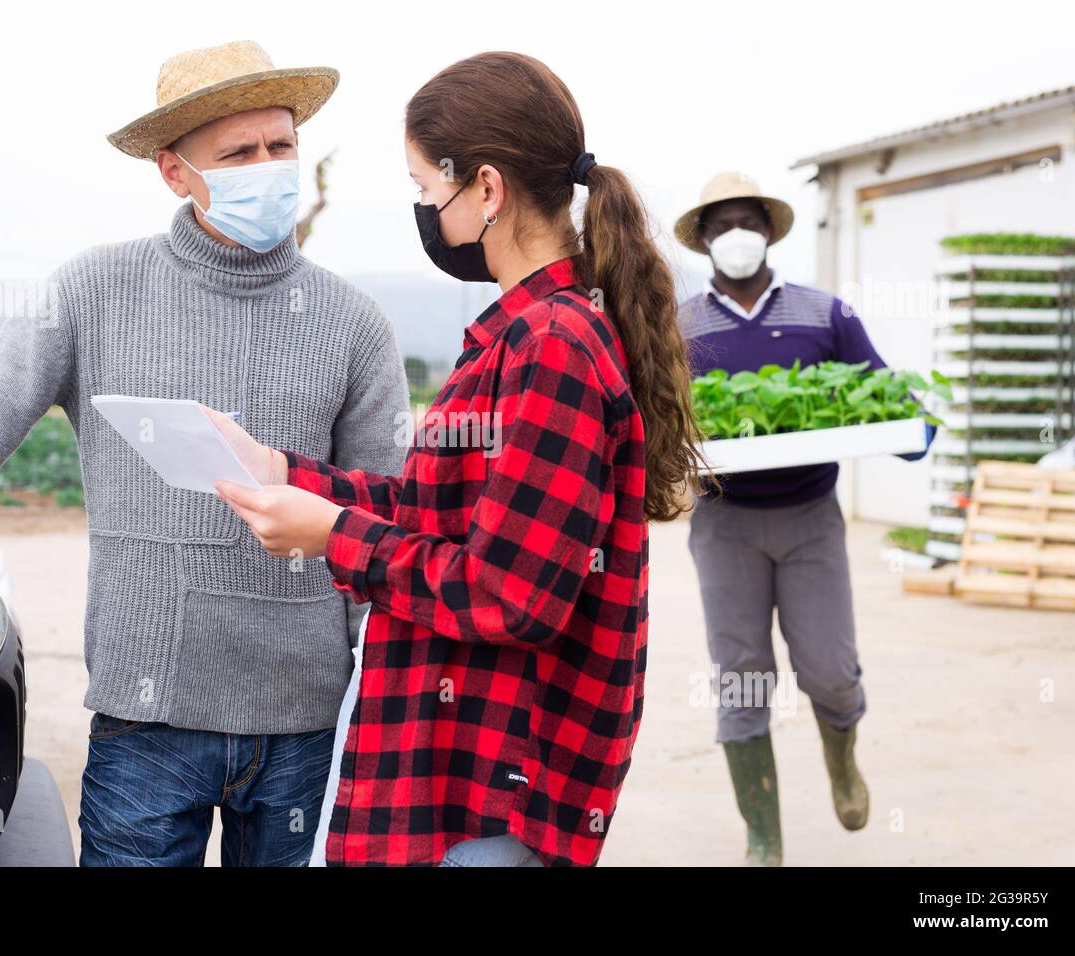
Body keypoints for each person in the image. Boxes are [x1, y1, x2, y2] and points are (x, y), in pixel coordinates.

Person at [0, 40, 409, 867]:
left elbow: (389, 524)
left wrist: (367, 714)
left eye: (281, 145)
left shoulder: (353, 326)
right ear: (174, 171)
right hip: (146, 730)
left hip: (304, 738)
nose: (268, 167)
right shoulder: (92, 294)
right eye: (239, 153)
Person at [202, 51, 702, 866]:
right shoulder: (523, 334)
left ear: (488, 190)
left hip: (496, 796)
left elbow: (511, 597)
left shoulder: (552, 350)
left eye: (424, 189)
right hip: (460, 782)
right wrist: (285, 475)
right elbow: (446, 512)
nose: (424, 209)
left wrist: (334, 537)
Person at [673, 171, 935, 866]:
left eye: (749, 221)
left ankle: (842, 761)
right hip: (725, 521)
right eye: (722, 223)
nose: (737, 235)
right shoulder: (680, 326)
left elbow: (878, 390)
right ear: (703, 239)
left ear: (769, 231)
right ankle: (764, 836)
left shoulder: (827, 314)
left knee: (830, 670)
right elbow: (656, 418)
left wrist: (913, 429)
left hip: (811, 516)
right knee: (741, 675)